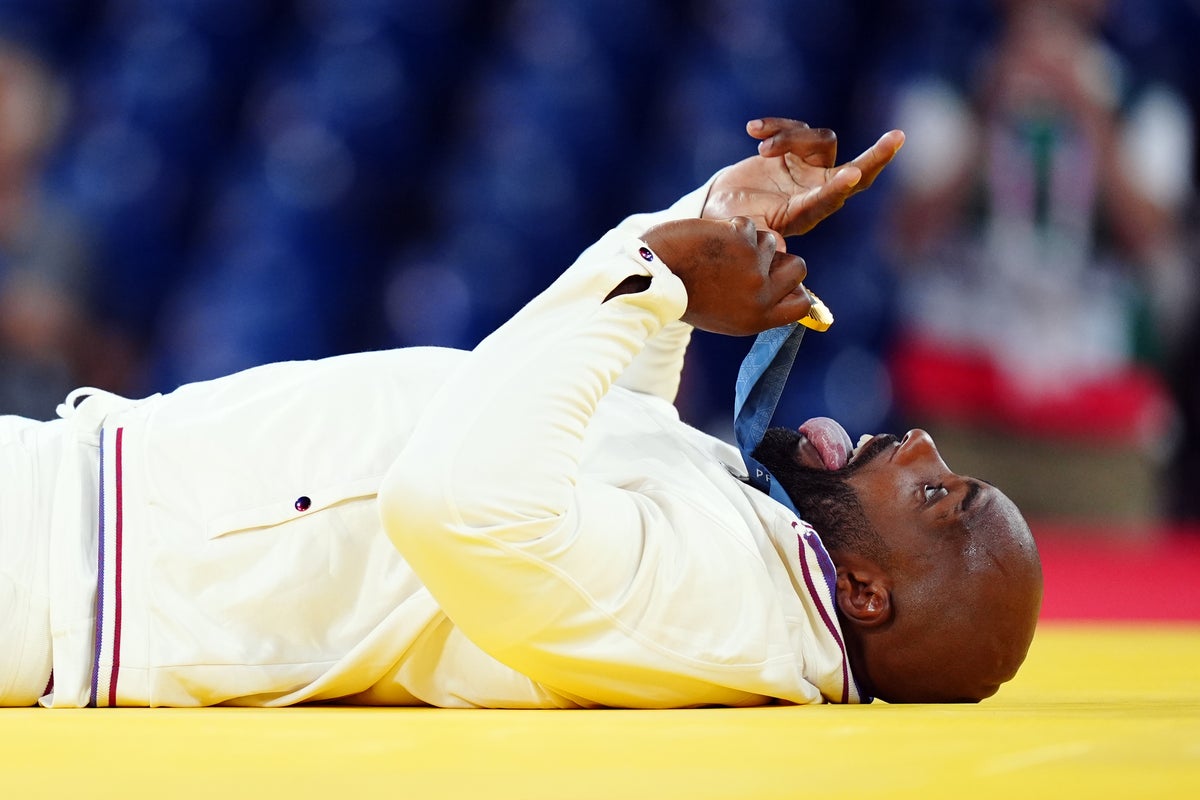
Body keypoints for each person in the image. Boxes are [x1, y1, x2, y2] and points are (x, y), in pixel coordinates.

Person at [0, 118, 1042, 710]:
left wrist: (663, 272)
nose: (918, 441)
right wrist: (710, 226)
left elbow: (460, 508)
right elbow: (603, 404)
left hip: (62, 568)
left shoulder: (728, 608)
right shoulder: (760, 560)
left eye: (942, 495)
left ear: (866, 592)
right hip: (69, 506)